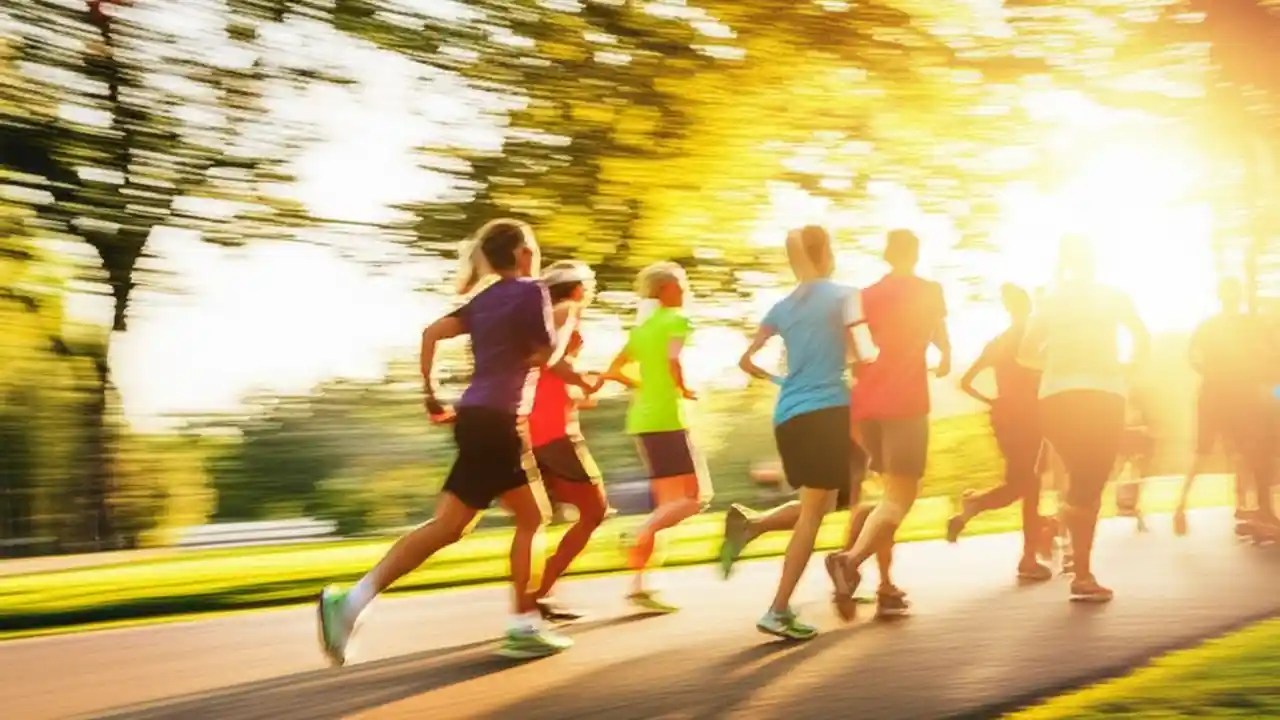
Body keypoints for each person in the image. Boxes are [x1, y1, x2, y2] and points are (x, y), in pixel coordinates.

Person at [317, 219, 593, 663]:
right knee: (533, 517)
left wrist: (431, 393)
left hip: (475, 418)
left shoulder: (484, 298)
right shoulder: (531, 291)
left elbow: (431, 334)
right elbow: (545, 355)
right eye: (535, 248)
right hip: (500, 421)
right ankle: (523, 625)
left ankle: (349, 603)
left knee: (450, 526)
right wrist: (568, 323)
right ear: (524, 253)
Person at [725, 225, 861, 640]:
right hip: (827, 412)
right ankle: (778, 608)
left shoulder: (782, 307)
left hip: (790, 415)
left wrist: (785, 383)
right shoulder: (844, 296)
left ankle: (752, 526)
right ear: (827, 253)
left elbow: (745, 361)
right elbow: (860, 354)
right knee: (817, 514)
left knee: (842, 498)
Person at [825, 228, 951, 621]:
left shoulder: (865, 295)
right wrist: (944, 355)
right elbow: (940, 337)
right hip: (905, 401)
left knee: (887, 497)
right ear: (915, 253)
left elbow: (853, 351)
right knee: (901, 497)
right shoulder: (929, 289)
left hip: (866, 404)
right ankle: (850, 561)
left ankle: (885, 586)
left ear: (886, 254)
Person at [1016, 236, 1148, 603]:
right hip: (1103, 394)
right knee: (1089, 483)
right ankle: (1081, 569)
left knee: (1080, 479)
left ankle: (1063, 535)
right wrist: (1128, 368)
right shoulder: (1114, 296)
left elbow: (1025, 354)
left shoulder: (1049, 301)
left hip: (1056, 399)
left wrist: (1059, 365)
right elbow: (1141, 337)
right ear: (1094, 261)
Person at [603, 261, 712, 613]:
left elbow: (614, 370)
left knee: (668, 508)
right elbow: (673, 361)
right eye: (680, 285)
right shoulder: (676, 319)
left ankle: (639, 587)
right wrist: (682, 387)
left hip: (642, 420)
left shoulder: (642, 328)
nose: (684, 291)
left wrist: (644, 385)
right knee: (697, 497)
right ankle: (636, 532)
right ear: (665, 290)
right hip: (668, 418)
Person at [947, 283, 1052, 581]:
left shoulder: (997, 342)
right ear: (1028, 308)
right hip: (1030, 417)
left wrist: (992, 401)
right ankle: (1026, 557)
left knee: (1022, 484)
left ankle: (1028, 549)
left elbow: (965, 381)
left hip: (1003, 418)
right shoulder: (1034, 341)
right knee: (1028, 488)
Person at [527, 261, 611, 622]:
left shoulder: (545, 316)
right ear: (577, 289)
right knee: (594, 510)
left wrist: (579, 391)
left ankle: (536, 595)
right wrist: (583, 379)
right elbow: (550, 360)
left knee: (539, 517)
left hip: (536, 426)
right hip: (555, 432)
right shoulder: (567, 309)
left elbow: (545, 370)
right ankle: (538, 591)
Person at [1174, 278, 1259, 535]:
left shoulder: (1221, 325)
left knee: (1237, 451)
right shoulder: (1228, 325)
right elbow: (1192, 356)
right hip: (1223, 394)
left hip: (1224, 393)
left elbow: (1191, 356)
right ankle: (1183, 506)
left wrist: (1206, 371)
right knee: (1218, 451)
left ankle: (1241, 504)